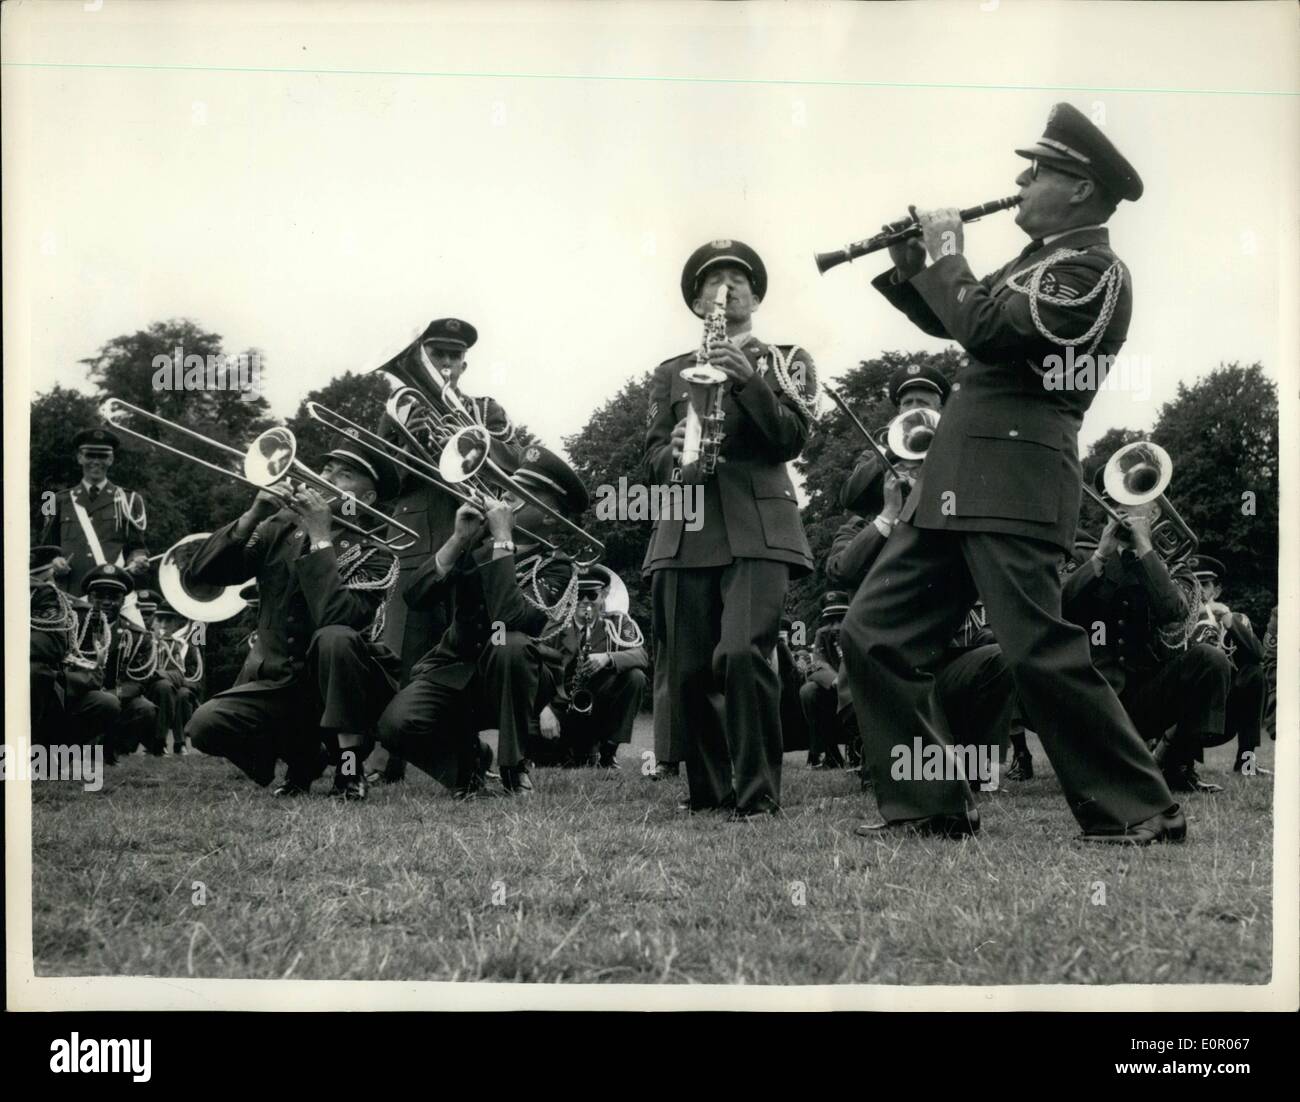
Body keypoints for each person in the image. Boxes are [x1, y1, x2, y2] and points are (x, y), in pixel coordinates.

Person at [840, 102, 1183, 843]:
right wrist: (915, 267)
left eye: (1038, 170)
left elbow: (990, 329)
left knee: (1037, 649)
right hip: (957, 480)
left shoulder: (1090, 270)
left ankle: (1140, 808)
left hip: (1014, 481)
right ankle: (928, 804)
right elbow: (960, 314)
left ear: (1083, 189)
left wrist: (947, 252)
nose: (1020, 182)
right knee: (873, 635)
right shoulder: (1038, 264)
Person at [643, 239, 817, 819]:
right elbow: (647, 463)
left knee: (743, 653)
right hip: (687, 528)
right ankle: (710, 794)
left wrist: (751, 382)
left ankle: (759, 793)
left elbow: (793, 439)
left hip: (760, 526)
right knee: (690, 671)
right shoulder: (670, 373)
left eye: (736, 278)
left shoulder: (789, 360)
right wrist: (670, 454)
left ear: (756, 295)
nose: (725, 287)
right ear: (698, 303)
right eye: (713, 280)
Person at [183, 437, 402, 799]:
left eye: (344, 476)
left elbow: (339, 617)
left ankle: (349, 769)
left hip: (341, 685)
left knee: (335, 637)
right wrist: (253, 515)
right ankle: (304, 760)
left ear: (364, 500)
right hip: (277, 679)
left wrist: (320, 535)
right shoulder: (279, 529)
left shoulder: (376, 554)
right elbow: (203, 574)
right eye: (326, 470)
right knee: (205, 726)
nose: (325, 479)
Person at [377, 445, 589, 798]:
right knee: (395, 726)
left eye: (526, 494)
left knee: (510, 643)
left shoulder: (558, 568)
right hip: (457, 668)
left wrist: (504, 541)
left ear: (552, 517)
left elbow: (510, 620)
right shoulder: (474, 547)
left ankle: (514, 766)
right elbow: (415, 596)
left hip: (519, 678)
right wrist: (458, 539)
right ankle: (471, 766)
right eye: (509, 488)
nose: (507, 497)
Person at [366, 318, 522, 785]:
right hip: (417, 539)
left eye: (454, 357)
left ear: (465, 363)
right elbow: (381, 483)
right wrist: (402, 441)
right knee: (403, 647)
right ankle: (386, 756)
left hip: (472, 542)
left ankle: (476, 749)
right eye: (437, 355)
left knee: (468, 652)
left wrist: (469, 438)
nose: (447, 365)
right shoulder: (398, 411)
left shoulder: (487, 410)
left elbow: (509, 470)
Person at [829, 458, 1014, 793]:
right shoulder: (858, 529)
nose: (913, 476)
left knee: (1000, 660)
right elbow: (843, 570)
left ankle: (979, 767)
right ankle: (893, 763)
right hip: (879, 675)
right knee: (913, 774)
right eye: (904, 471)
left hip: (937, 665)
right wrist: (889, 514)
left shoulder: (942, 528)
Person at [1061, 515, 1230, 795]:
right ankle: (1107, 760)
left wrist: (1145, 548)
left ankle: (1176, 764)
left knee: (1210, 660)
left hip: (1145, 693)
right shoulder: (1084, 555)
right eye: (1118, 504)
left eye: (1139, 506)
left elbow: (1173, 611)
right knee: (1108, 774)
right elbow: (1058, 605)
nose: (1125, 512)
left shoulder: (1172, 562)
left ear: (1155, 515)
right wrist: (1101, 555)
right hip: (1095, 695)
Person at [528, 568, 649, 769]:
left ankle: (608, 753)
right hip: (560, 708)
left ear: (603, 595)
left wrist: (608, 658)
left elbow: (641, 656)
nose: (585, 601)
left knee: (636, 677)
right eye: (579, 595)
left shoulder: (618, 623)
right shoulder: (555, 626)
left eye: (592, 594)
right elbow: (534, 669)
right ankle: (567, 751)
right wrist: (544, 709)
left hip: (599, 709)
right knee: (545, 756)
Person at [40, 427, 150, 599]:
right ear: (80, 458)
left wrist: (138, 560)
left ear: (111, 459)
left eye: (103, 456)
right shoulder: (53, 500)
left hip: (112, 596)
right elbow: (46, 550)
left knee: (138, 627)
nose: (96, 462)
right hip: (70, 594)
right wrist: (53, 562)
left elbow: (137, 547)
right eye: (90, 455)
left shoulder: (130, 500)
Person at [1189, 556, 1269, 777]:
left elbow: (1257, 654)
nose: (1199, 591)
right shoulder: (1178, 620)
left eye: (1204, 585)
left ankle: (1246, 762)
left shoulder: (1236, 619)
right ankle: (1181, 764)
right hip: (1189, 712)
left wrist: (1226, 619)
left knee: (1255, 674)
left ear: (1217, 591)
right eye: (1192, 585)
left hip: (1224, 715)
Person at [74, 564, 160, 762]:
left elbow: (139, 681)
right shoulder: (73, 627)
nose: (106, 602)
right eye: (99, 596)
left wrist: (113, 694)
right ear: (89, 598)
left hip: (117, 697)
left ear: (123, 601)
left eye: (113, 597)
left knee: (145, 709)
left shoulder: (137, 636)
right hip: (78, 697)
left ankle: (111, 750)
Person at [799, 592, 850, 770]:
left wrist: (844, 680)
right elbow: (817, 664)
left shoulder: (857, 632)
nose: (835, 626)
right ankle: (829, 754)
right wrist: (835, 679)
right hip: (833, 688)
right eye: (830, 620)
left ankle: (860, 752)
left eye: (840, 619)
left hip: (859, 690)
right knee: (809, 692)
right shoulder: (822, 635)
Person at [147, 599, 205, 756]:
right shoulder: (149, 642)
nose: (164, 624)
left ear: (177, 622)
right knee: (165, 687)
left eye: (169, 620)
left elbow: (196, 678)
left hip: (181, 689)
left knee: (182, 694)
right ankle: (158, 742)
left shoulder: (188, 645)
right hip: (155, 690)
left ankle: (180, 743)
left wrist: (178, 681)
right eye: (160, 619)